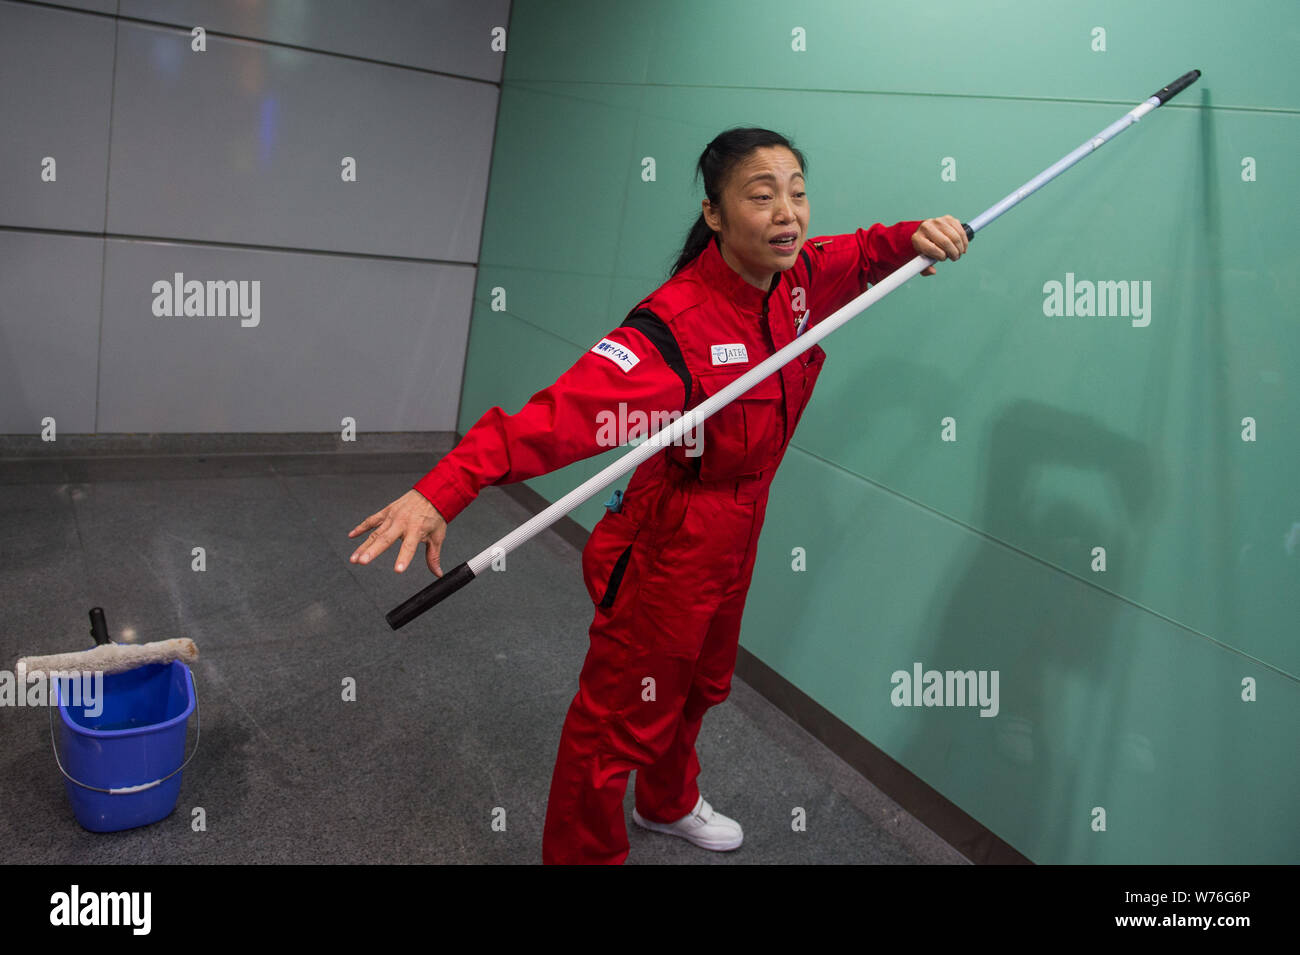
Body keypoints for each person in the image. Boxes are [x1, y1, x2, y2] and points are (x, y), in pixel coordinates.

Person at [348, 127, 968, 864]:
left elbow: (866, 252)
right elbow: (554, 416)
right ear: (713, 213)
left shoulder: (799, 280)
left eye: (797, 193)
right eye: (761, 196)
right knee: (617, 718)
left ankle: (667, 801)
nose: (787, 214)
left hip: (742, 523)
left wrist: (917, 238)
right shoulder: (673, 332)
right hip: (672, 535)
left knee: (701, 683)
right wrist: (441, 490)